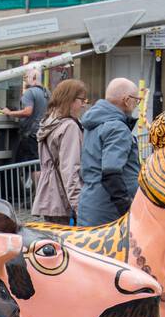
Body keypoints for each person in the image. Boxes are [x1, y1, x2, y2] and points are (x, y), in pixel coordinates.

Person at [77, 78, 141, 226]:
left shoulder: (95, 122)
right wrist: (128, 209)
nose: (136, 105)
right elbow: (111, 172)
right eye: (136, 100)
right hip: (109, 213)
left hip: (91, 204)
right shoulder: (117, 127)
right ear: (126, 100)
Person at [31, 79, 86, 224]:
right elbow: (70, 169)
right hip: (63, 202)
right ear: (71, 100)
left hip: (50, 198)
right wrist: (79, 207)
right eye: (82, 100)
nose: (84, 104)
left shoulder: (49, 122)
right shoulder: (69, 127)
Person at [2, 69, 49, 164]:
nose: (25, 80)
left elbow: (27, 112)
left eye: (27, 77)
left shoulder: (30, 92)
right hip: (43, 132)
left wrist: (9, 113)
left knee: (32, 165)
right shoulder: (47, 93)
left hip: (30, 134)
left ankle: (36, 179)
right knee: (38, 163)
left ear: (34, 78)